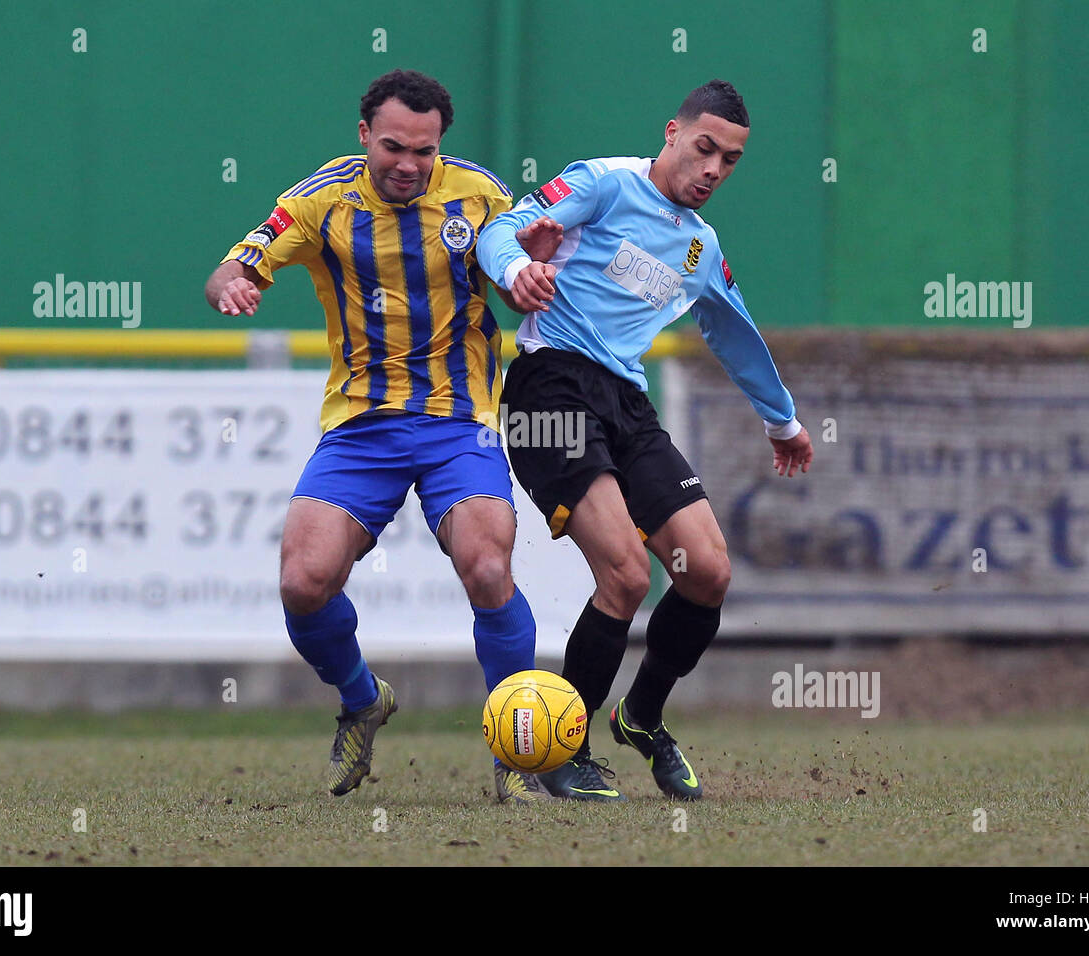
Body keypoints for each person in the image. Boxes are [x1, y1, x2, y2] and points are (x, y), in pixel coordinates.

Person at [205, 69, 562, 804]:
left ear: (440, 147)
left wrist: (529, 274)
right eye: (394, 147)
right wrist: (236, 282)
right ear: (365, 135)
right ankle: (362, 699)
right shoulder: (318, 200)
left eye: (424, 152)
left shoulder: (480, 195)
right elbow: (233, 264)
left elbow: (509, 271)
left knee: (488, 568)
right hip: (361, 425)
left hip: (458, 422)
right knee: (303, 584)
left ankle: (514, 755)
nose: (408, 164)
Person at [475, 79, 814, 801]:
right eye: (704, 149)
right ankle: (557, 754)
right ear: (671, 133)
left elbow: (734, 330)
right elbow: (502, 227)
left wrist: (780, 420)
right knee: (627, 576)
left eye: (730, 160)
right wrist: (517, 267)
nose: (715, 169)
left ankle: (643, 717)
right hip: (551, 394)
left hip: (625, 405)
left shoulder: (700, 245)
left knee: (707, 574)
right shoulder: (604, 183)